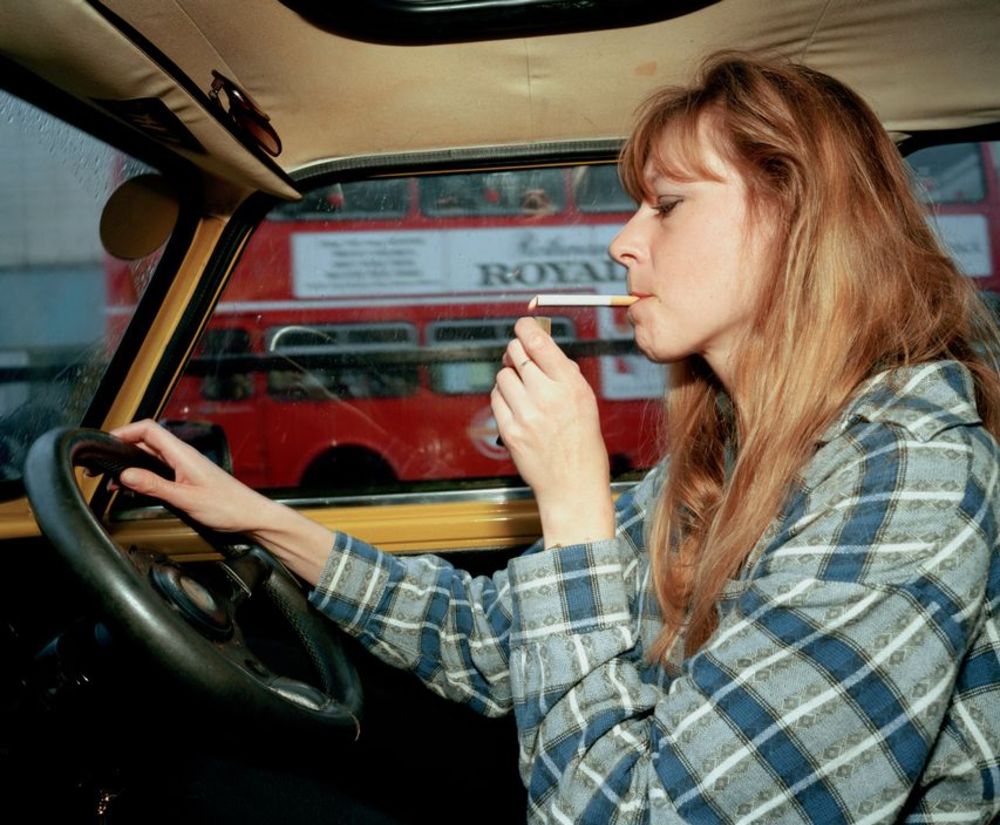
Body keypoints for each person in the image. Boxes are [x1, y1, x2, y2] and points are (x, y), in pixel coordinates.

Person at [112, 51, 1000, 823]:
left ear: (791, 220)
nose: (621, 241)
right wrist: (257, 518)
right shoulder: (731, 454)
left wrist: (572, 504)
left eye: (667, 206)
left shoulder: (908, 475)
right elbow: (494, 636)